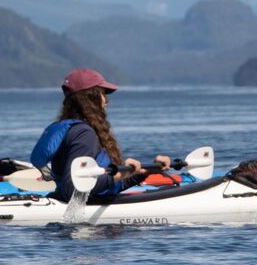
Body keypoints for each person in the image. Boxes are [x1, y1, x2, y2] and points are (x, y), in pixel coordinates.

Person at [30, 67, 169, 201]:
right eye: (102, 93)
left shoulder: (73, 129)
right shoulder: (83, 134)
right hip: (80, 220)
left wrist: (144, 172)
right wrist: (117, 175)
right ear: (89, 98)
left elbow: (102, 186)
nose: (106, 100)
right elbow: (72, 189)